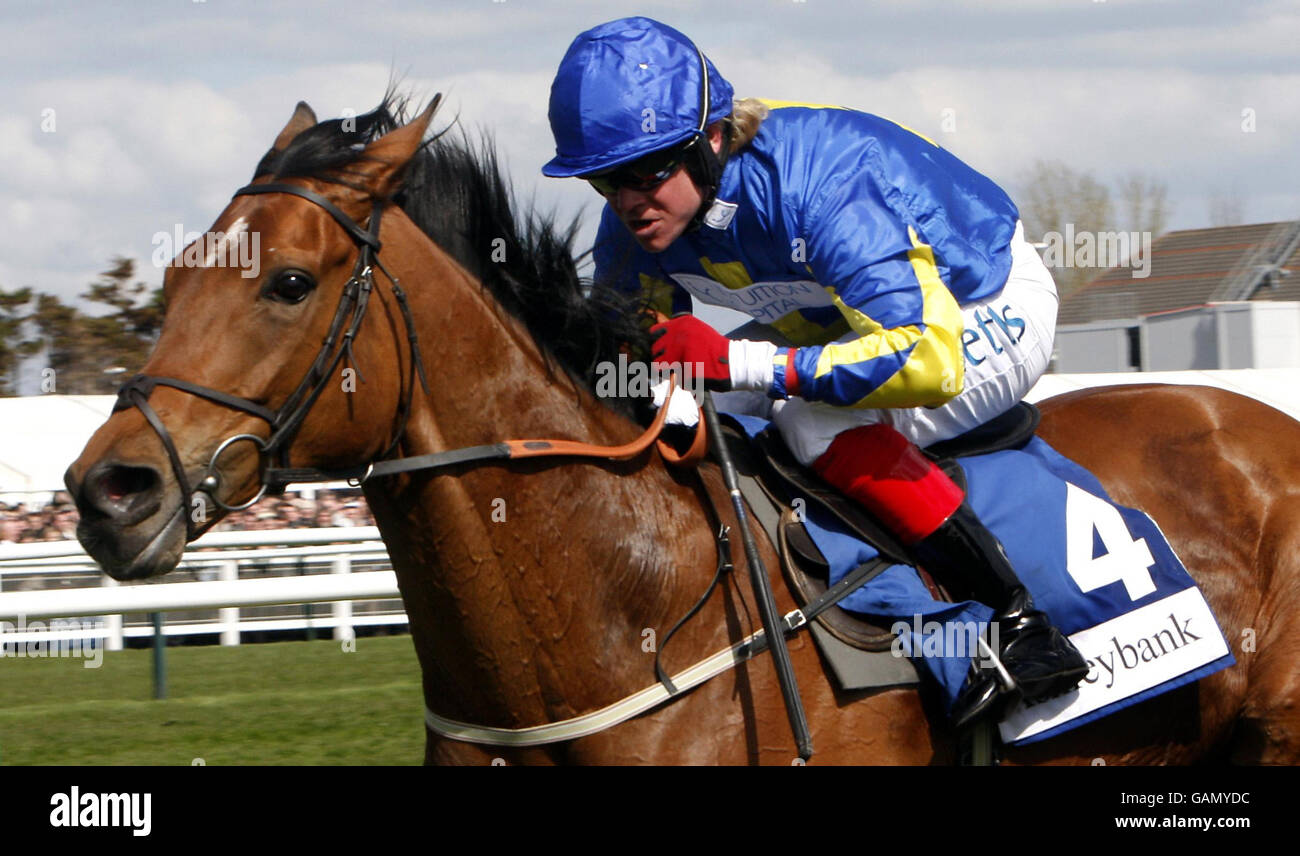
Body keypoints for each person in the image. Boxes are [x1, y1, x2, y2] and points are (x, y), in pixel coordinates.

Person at [542, 17, 1088, 727]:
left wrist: (740, 358)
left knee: (807, 417)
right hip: (840, 319)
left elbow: (925, 357)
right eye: (604, 181)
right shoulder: (635, 222)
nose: (627, 201)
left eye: (646, 173)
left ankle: (1020, 621)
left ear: (709, 140)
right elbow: (618, 366)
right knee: (692, 409)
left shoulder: (820, 182)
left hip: (976, 307)